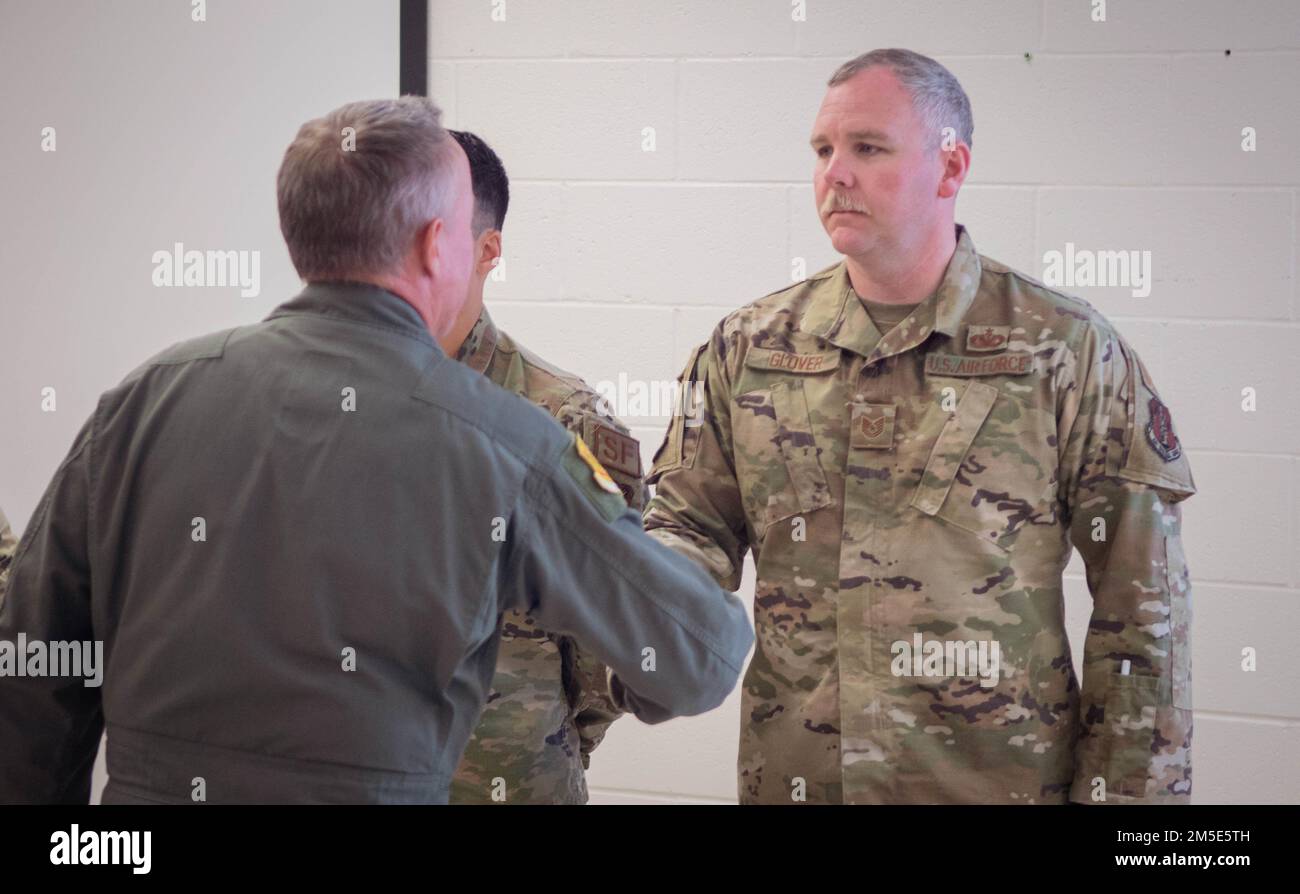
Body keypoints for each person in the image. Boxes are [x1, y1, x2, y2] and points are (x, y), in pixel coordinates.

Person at [0, 97, 752, 804]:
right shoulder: (504, 443)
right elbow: (698, 659)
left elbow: (30, 672)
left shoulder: (142, 404)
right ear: (436, 247)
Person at [643, 49, 1195, 804]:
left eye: (868, 148)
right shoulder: (752, 348)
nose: (836, 172)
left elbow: (1142, 618)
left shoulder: (1062, 350)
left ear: (949, 166)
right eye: (823, 150)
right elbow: (687, 531)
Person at [442, 129, 644, 804]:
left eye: (430, 227)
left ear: (486, 250)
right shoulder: (329, 405)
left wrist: (538, 738)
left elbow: (607, 643)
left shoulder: (560, 418)